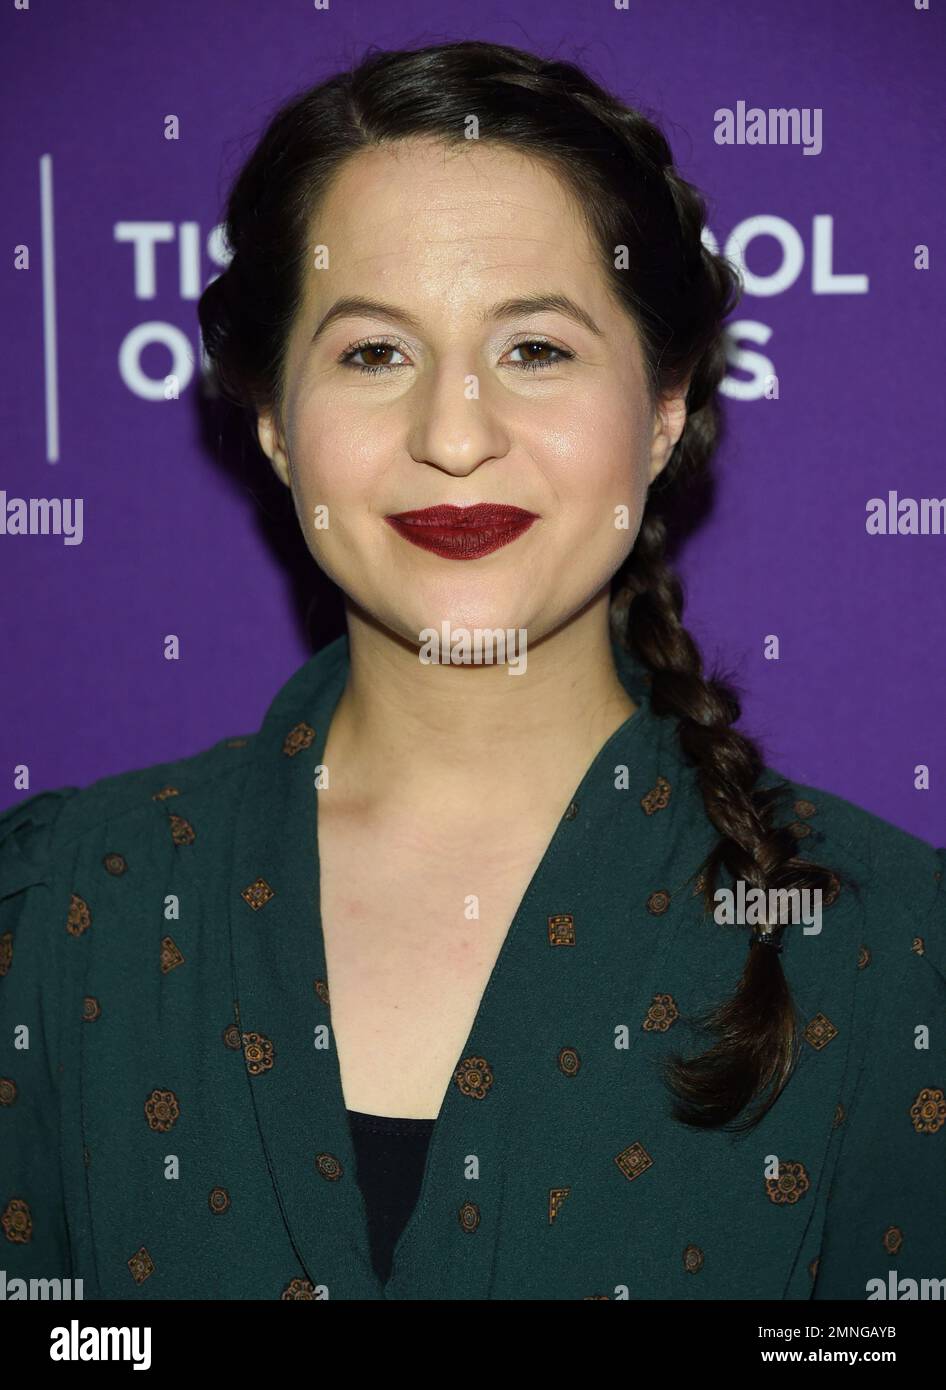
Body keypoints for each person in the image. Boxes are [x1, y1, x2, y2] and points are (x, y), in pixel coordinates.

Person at [1, 40, 943, 1302]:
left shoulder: (882, 948)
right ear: (274, 423)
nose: (454, 436)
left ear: (663, 408)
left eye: (537, 351)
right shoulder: (67, 915)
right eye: (374, 354)